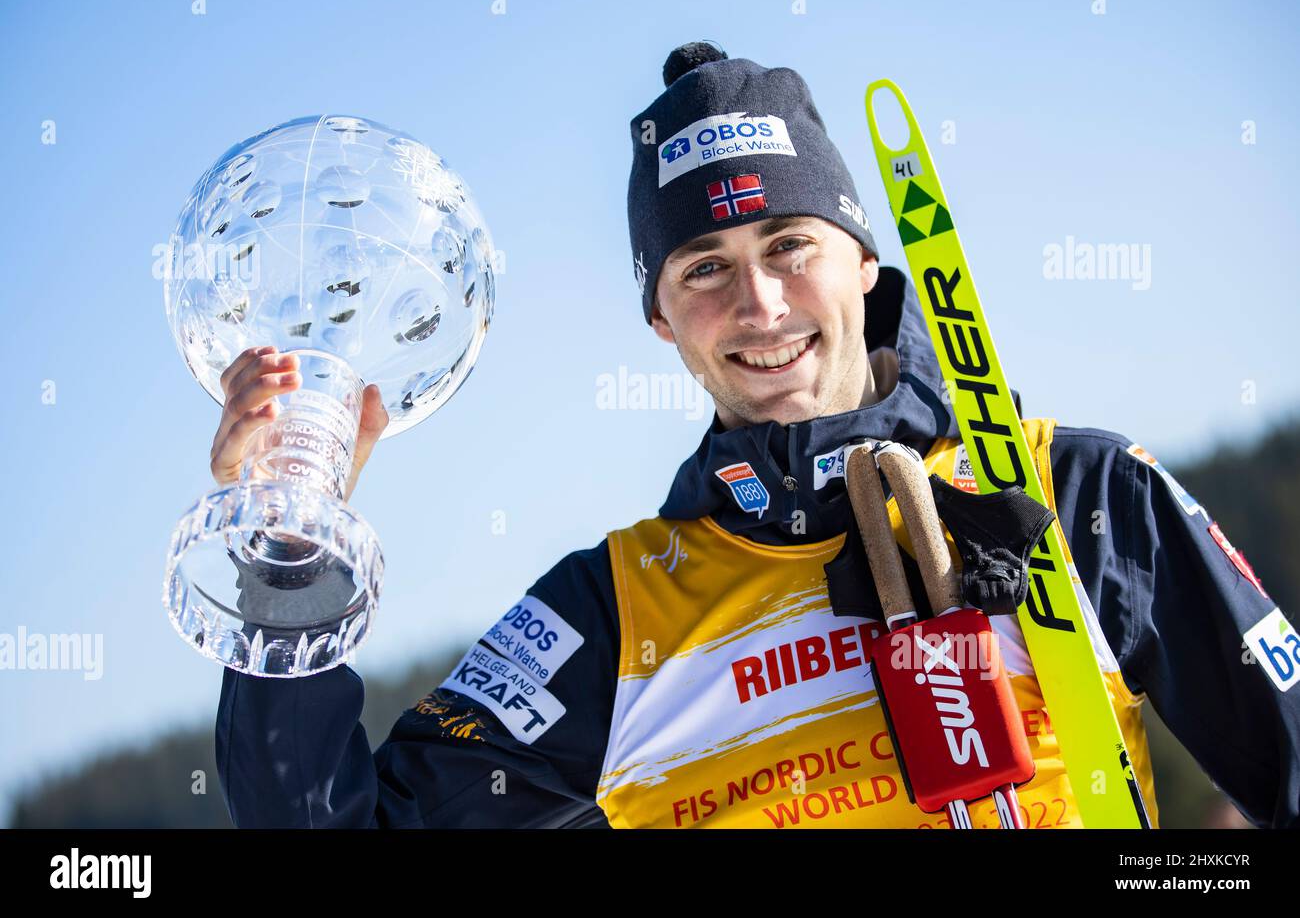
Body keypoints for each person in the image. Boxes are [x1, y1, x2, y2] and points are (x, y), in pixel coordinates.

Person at [214, 42, 1300, 829]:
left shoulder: (1079, 492)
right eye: (704, 269)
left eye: (789, 244)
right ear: (659, 316)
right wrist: (290, 536)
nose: (761, 304)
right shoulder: (610, 613)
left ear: (862, 261)